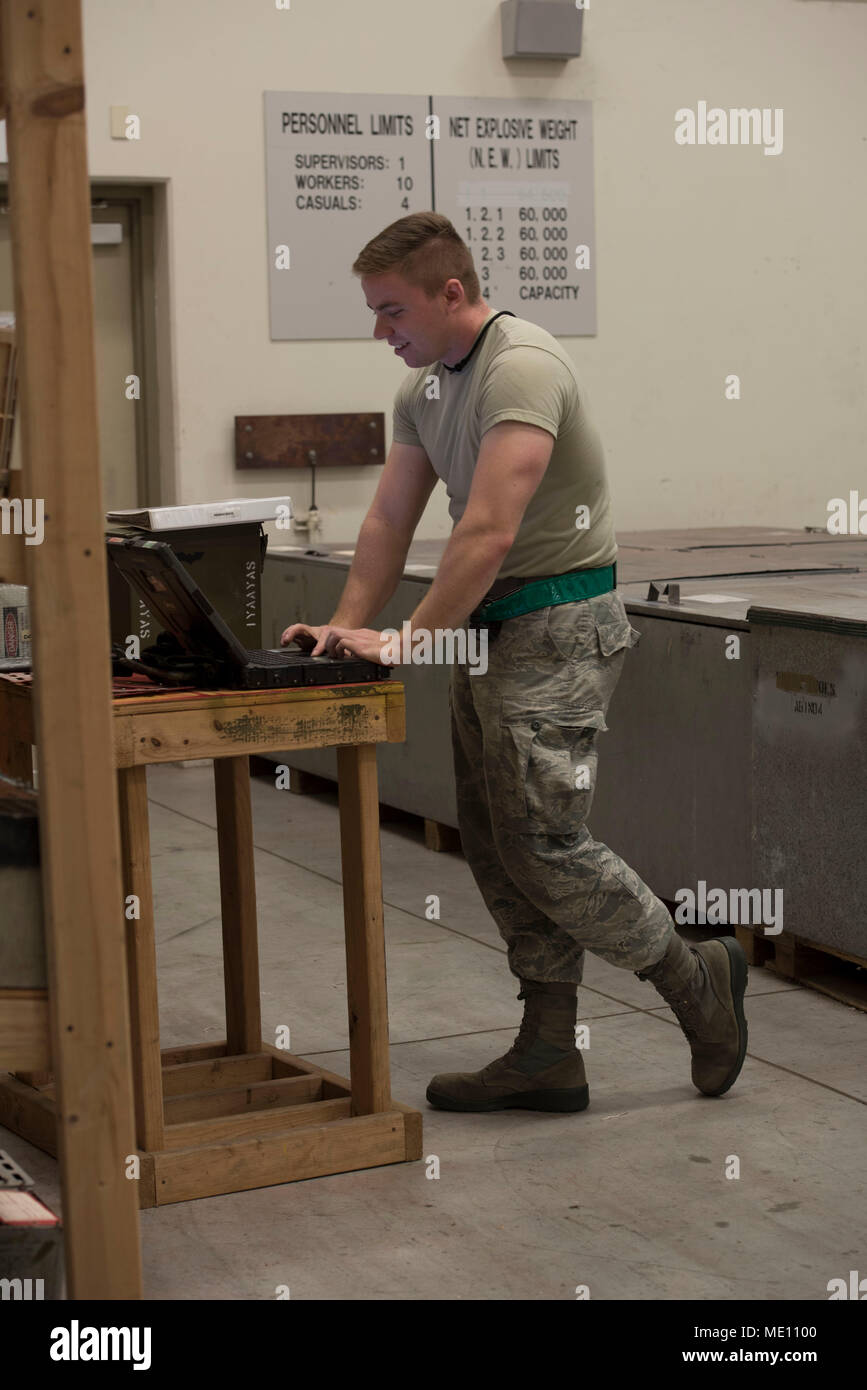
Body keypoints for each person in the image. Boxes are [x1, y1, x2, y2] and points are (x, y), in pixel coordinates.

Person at [281, 211, 748, 1114]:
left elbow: (488, 528)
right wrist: (343, 626)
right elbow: (388, 519)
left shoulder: (521, 367)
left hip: (558, 624)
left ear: (449, 292)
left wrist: (409, 639)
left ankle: (698, 981)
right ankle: (547, 1050)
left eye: (391, 310)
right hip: (490, 631)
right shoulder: (423, 391)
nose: (381, 330)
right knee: (498, 845)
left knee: (543, 843)